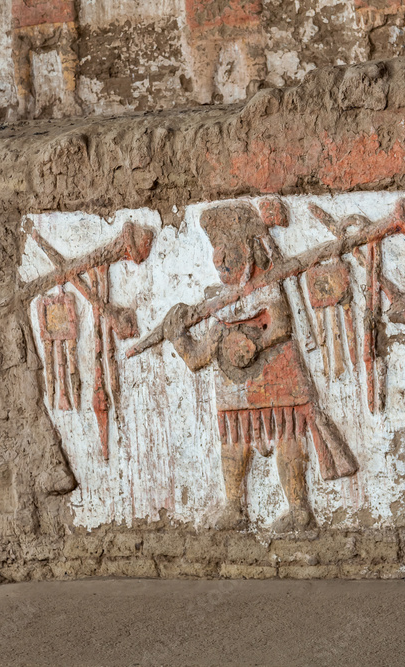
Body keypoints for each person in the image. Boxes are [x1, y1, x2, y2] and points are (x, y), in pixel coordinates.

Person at [161, 202, 358, 532]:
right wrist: (176, 335)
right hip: (234, 383)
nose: (219, 261)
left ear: (245, 252)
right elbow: (196, 358)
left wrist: (253, 344)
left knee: (286, 434)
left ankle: (298, 508)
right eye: (216, 255)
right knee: (233, 441)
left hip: (275, 371)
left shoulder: (267, 285)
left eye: (226, 253)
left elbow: (280, 325)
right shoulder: (216, 303)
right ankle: (234, 506)